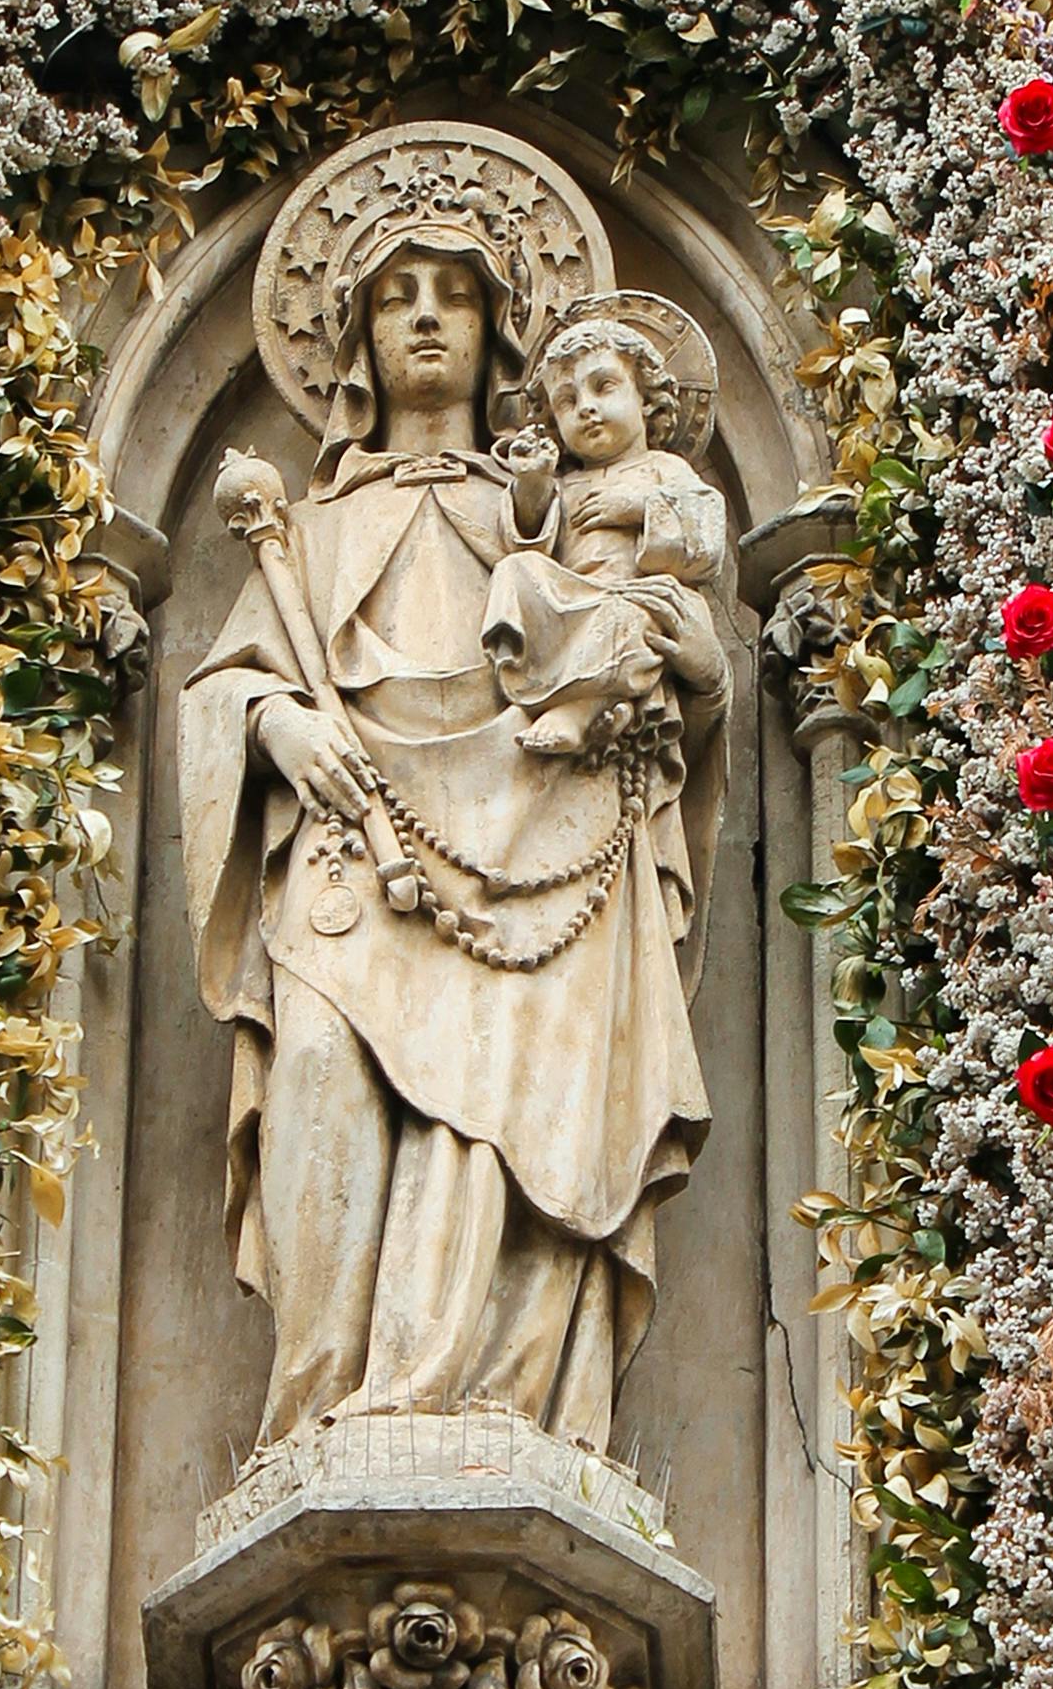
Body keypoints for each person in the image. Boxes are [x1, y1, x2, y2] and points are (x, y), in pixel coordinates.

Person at [181, 215, 730, 1455]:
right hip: (348, 846)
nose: (426, 316)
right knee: (319, 1080)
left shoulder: (553, 511)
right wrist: (273, 728)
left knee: (492, 1123)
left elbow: (665, 662)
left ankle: (499, 1412)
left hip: (543, 861)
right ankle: (319, 1413)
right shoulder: (307, 530)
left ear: (496, 338)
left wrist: (673, 681)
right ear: (360, 342)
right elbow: (222, 688)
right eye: (397, 297)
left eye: (455, 297)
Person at [482, 304, 730, 764]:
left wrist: (635, 508)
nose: (587, 408)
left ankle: (586, 709)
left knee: (633, 614)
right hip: (575, 605)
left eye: (604, 386)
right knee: (515, 570)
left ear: (646, 398)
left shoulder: (664, 468)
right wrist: (532, 488)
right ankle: (535, 682)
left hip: (640, 599)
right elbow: (527, 544)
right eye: (567, 402)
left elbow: (705, 539)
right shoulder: (566, 484)